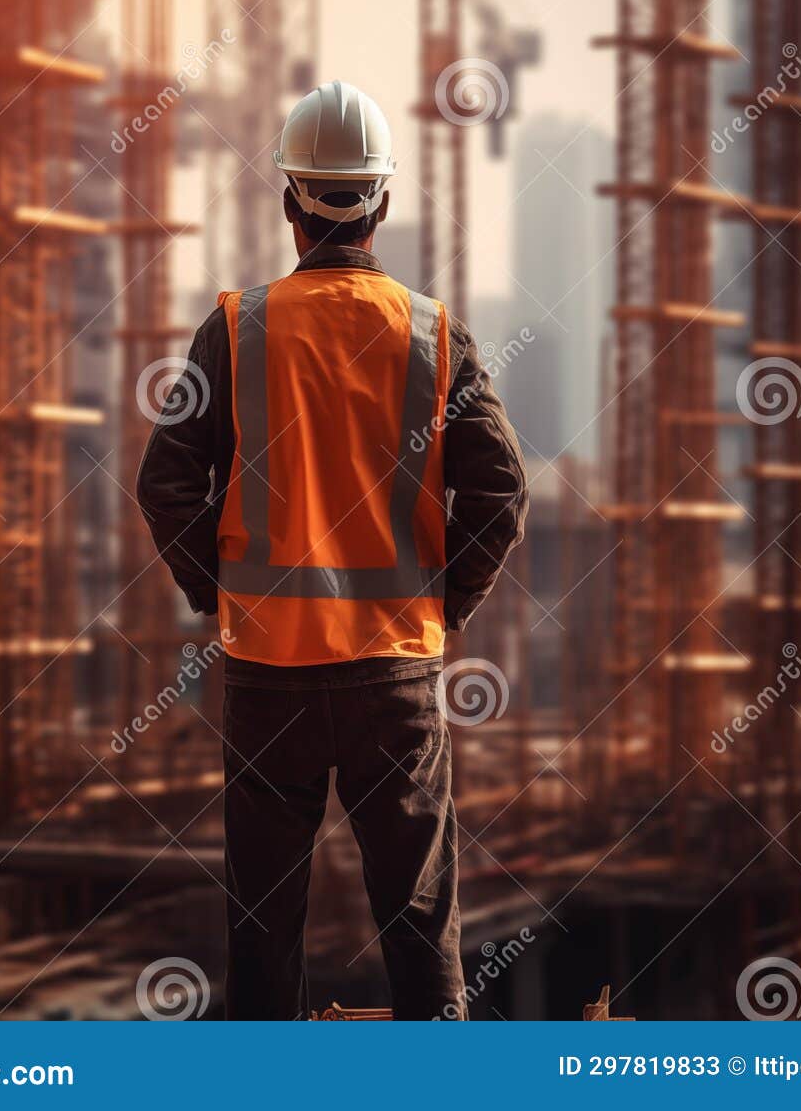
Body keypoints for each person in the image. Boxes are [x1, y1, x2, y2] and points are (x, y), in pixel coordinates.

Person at [138, 80, 528, 1021]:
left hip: (268, 667)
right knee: (419, 915)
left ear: (288, 201)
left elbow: (165, 483)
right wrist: (447, 604)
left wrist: (221, 593)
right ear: (383, 202)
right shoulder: (436, 335)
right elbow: (502, 492)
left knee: (263, 924)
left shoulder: (235, 329)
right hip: (392, 668)